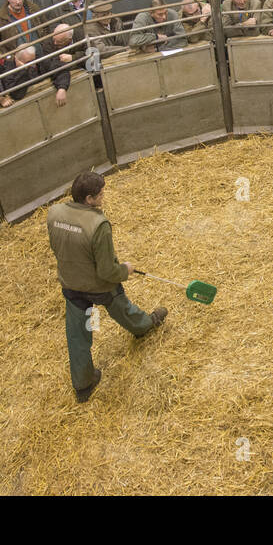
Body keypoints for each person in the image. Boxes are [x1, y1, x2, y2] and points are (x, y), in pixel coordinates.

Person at [49, 170, 167, 403]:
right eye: (101, 195)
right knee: (123, 308)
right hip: (99, 285)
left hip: (71, 283)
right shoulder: (98, 224)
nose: (104, 197)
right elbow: (106, 271)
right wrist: (125, 270)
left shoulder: (54, 213)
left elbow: (57, 248)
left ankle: (83, 385)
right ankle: (144, 326)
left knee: (77, 336)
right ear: (89, 199)